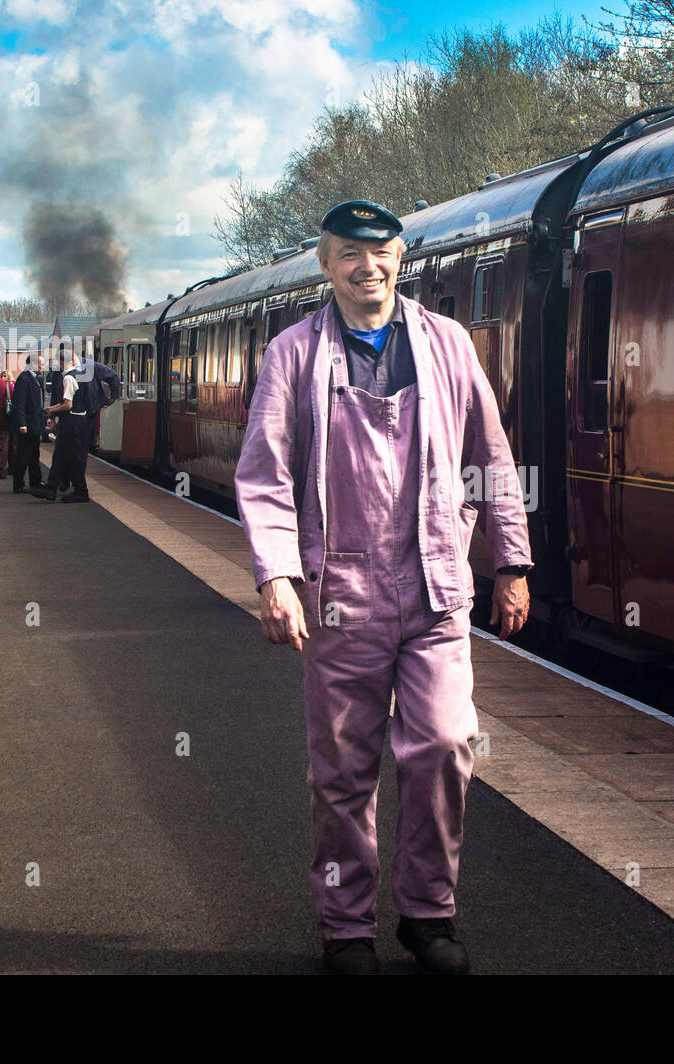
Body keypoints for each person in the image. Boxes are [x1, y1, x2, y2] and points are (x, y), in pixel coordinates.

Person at [234, 200, 532, 976]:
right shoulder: (294, 355)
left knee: (442, 743)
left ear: (401, 259)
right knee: (343, 770)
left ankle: (429, 916)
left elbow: (490, 457)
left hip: (435, 583)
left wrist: (511, 560)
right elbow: (265, 476)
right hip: (341, 592)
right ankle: (346, 928)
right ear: (327, 267)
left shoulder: (446, 344)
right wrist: (278, 577)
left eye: (382, 252)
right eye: (350, 255)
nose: (369, 266)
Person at [31, 348, 119, 503]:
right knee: (63, 452)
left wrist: (111, 398)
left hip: (79, 417)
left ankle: (75, 489)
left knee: (73, 454)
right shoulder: (69, 374)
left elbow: (67, 403)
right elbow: (59, 395)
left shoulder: (80, 371)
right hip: (75, 416)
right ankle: (55, 487)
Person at [10, 353, 47, 494]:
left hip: (35, 423)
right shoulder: (24, 379)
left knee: (34, 455)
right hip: (27, 424)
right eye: (40, 364)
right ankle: (18, 484)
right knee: (23, 456)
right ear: (33, 364)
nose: (42, 367)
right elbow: (19, 403)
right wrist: (21, 423)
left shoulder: (34, 378)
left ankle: (36, 481)